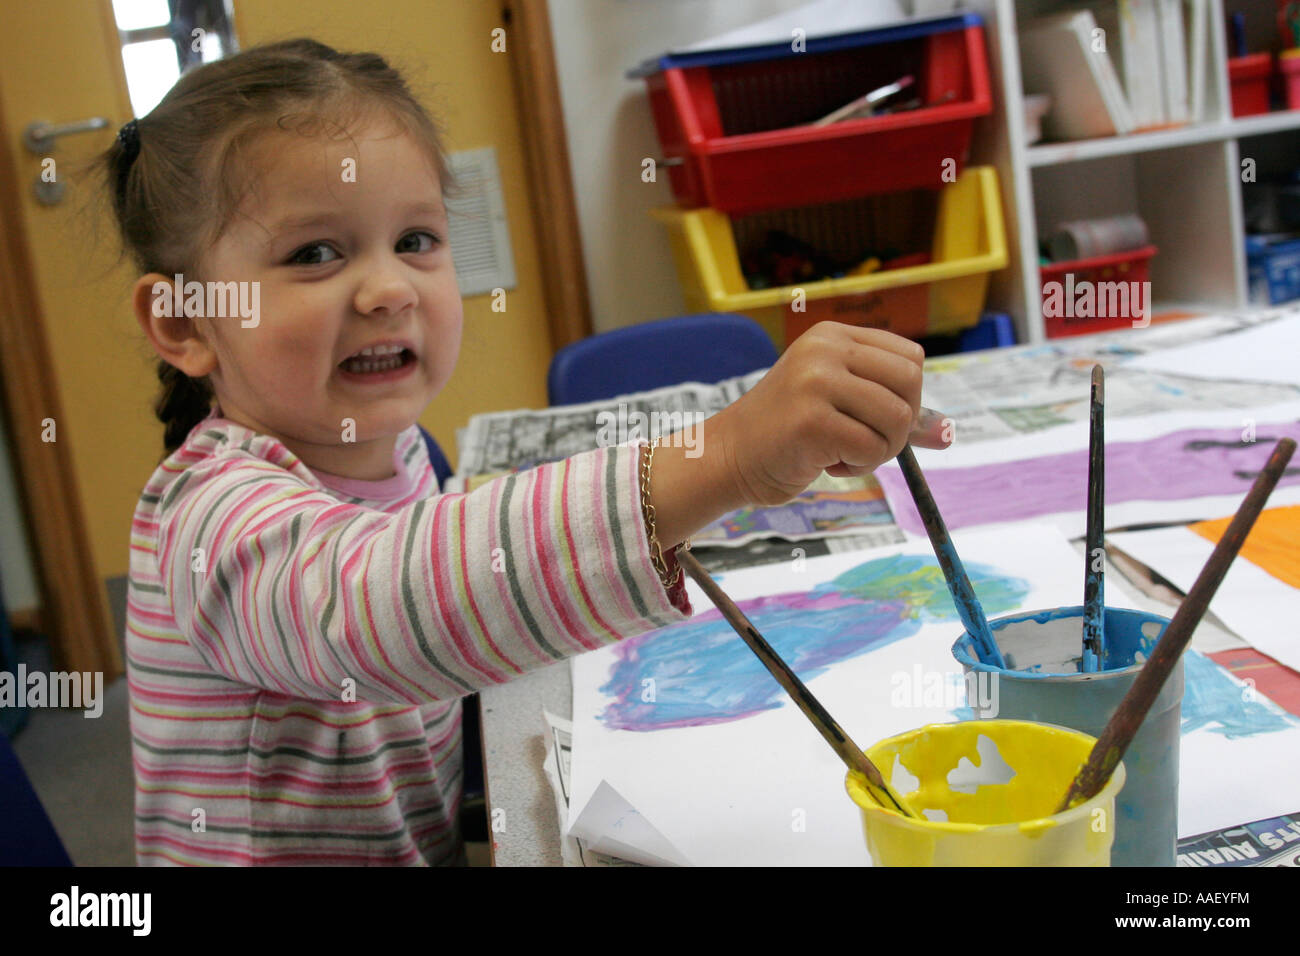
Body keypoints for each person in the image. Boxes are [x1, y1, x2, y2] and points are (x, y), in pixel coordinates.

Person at [104, 38, 948, 865]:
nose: (390, 288)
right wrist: (724, 455)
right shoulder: (206, 509)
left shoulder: (396, 454)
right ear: (183, 320)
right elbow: (362, 614)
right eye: (315, 254)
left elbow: (449, 572)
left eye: (416, 241)